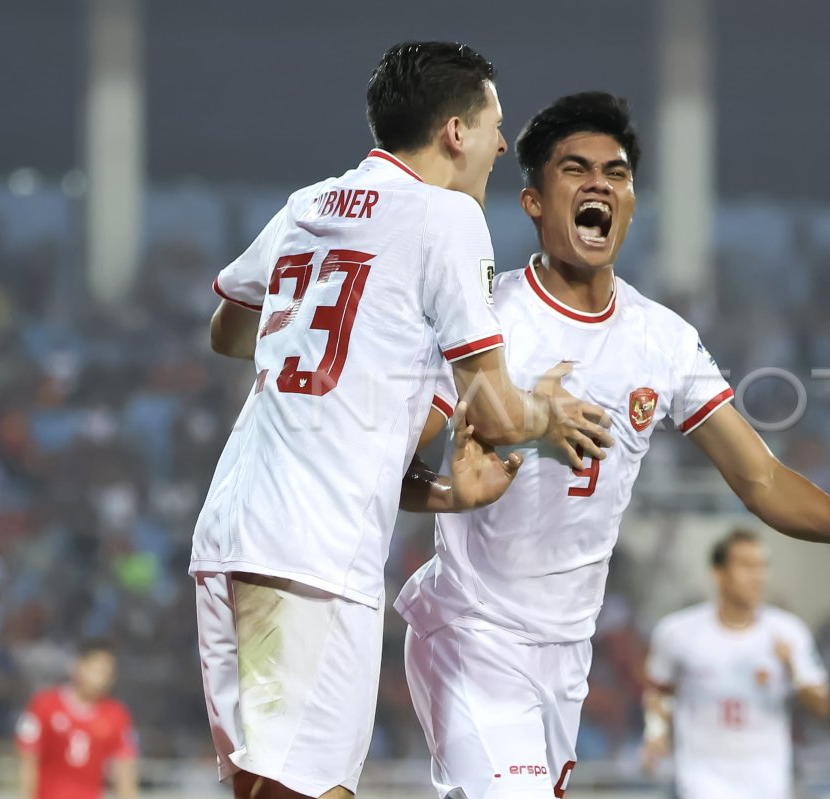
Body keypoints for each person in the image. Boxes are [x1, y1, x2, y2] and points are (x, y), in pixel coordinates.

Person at [395, 91, 830, 799]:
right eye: (575, 169)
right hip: (472, 630)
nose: (598, 184)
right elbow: (387, 463)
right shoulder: (486, 321)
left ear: (631, 201)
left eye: (615, 173)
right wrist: (446, 495)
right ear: (532, 200)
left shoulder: (664, 340)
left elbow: (762, 479)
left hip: (565, 651)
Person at [192, 42, 612, 799]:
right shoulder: (443, 216)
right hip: (313, 556)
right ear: (456, 131)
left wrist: (446, 488)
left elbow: (226, 331)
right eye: (495, 127)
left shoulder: (310, 204)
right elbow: (491, 401)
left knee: (264, 789)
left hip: (230, 533)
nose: (499, 149)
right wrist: (553, 416)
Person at [643, 529, 830, 799]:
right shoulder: (678, 632)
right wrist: (656, 732)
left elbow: (822, 707)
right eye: (746, 566)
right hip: (700, 780)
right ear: (718, 573)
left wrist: (793, 669)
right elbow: (659, 689)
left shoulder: (788, 633)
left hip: (767, 782)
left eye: (762, 566)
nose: (758, 576)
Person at [15, 640, 138, 799]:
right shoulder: (44, 705)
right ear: (78, 666)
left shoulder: (117, 715)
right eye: (97, 670)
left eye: (107, 673)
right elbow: (28, 762)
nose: (101, 679)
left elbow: (125, 773)